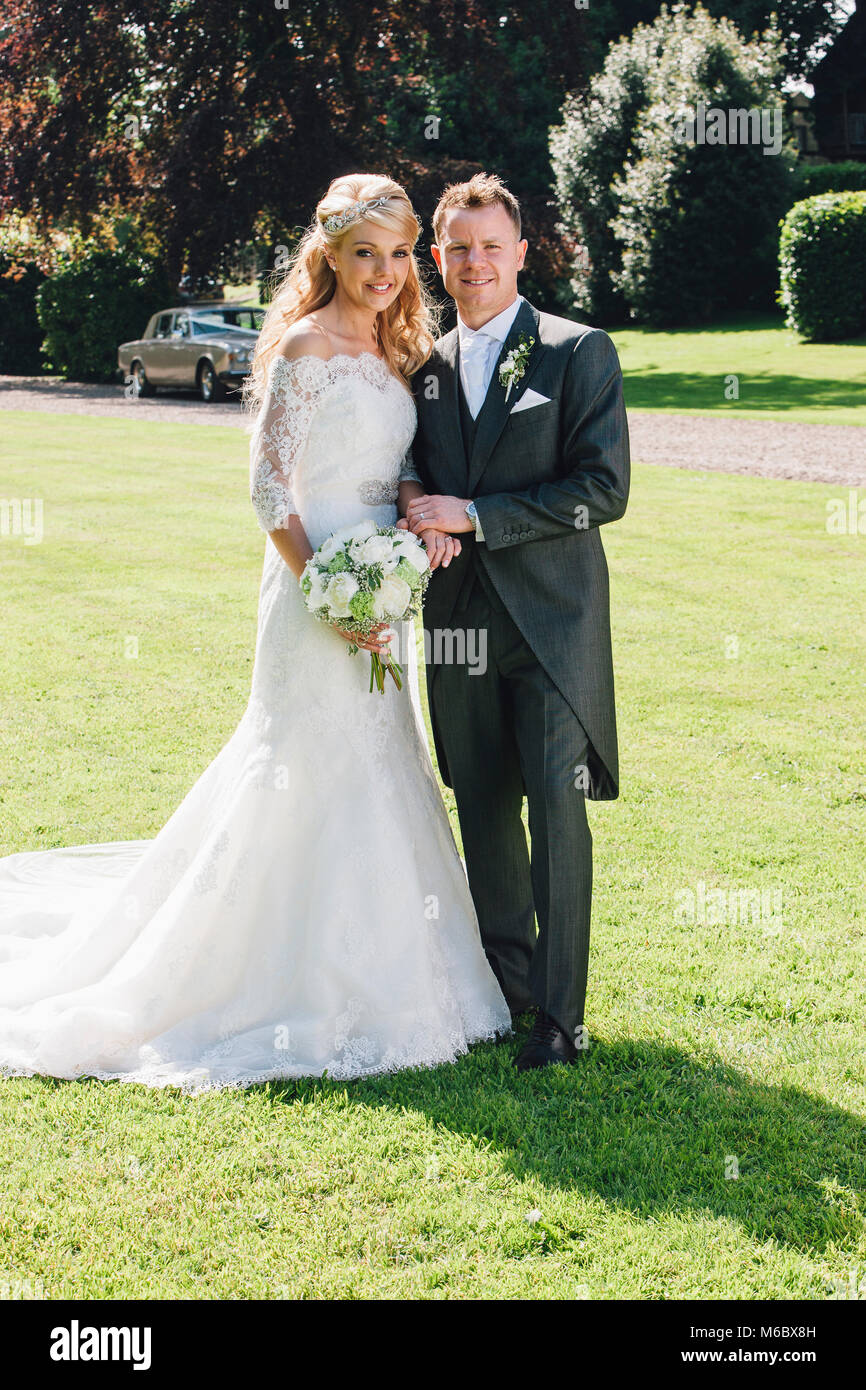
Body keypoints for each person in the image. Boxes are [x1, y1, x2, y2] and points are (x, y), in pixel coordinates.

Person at [0, 173, 510, 1094]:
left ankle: (398, 979)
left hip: (377, 596)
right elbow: (270, 492)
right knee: (298, 763)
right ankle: (262, 977)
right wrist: (333, 593)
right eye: (367, 254)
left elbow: (398, 466)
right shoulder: (307, 347)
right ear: (332, 258)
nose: (386, 272)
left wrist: (407, 530)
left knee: (380, 761)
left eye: (400, 255)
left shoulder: (401, 350)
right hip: (312, 591)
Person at [401, 173, 630, 1071]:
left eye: (491, 245)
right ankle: (508, 992)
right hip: (456, 624)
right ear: (438, 257)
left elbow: (601, 489)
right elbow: (408, 475)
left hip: (551, 627)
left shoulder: (578, 353)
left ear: (522, 252)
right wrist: (418, 510)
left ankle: (560, 1021)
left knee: (556, 815)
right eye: (458, 247)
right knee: (485, 807)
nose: (475, 262)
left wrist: (479, 517)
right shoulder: (420, 372)